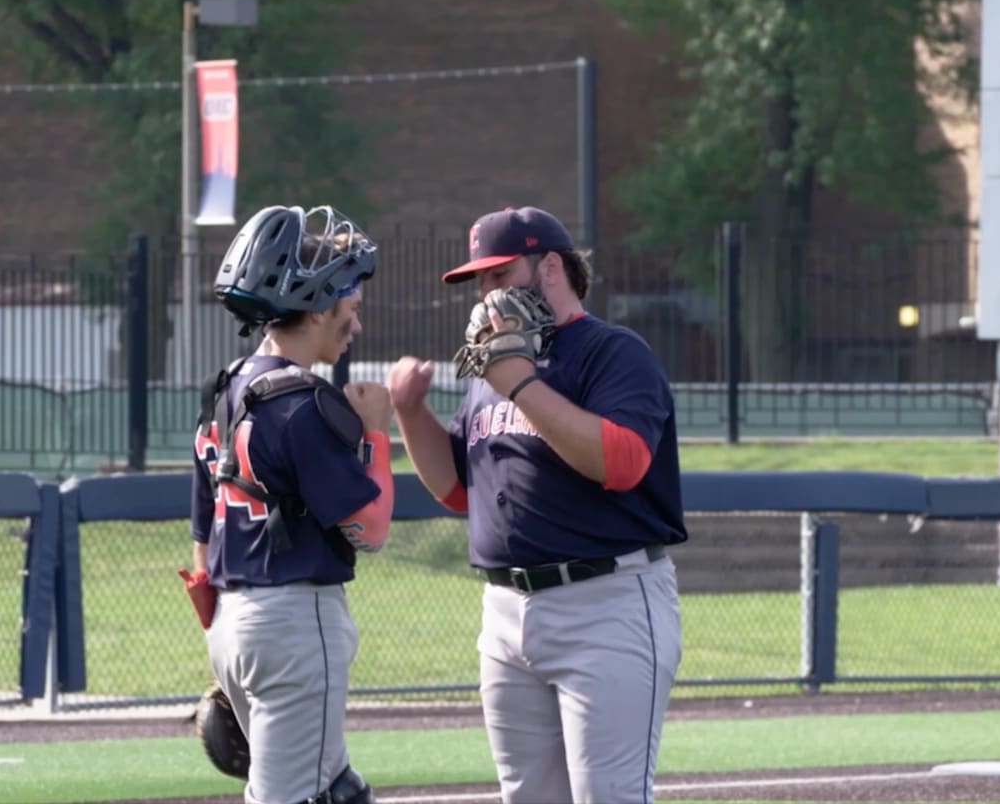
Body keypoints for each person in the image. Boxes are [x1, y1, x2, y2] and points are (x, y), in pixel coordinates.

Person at [387, 206, 687, 803]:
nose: (486, 295)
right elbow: (458, 492)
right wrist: (409, 413)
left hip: (606, 602)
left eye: (499, 276)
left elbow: (621, 463)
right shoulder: (496, 365)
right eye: (480, 282)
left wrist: (521, 384)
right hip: (505, 612)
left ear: (550, 267)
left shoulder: (611, 352)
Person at [183, 204, 392, 804]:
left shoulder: (223, 390)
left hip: (231, 622)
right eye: (348, 309)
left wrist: (230, 636)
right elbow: (370, 529)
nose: (353, 325)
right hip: (295, 623)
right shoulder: (306, 402)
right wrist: (376, 432)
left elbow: (202, 539)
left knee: (335, 790)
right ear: (319, 305)